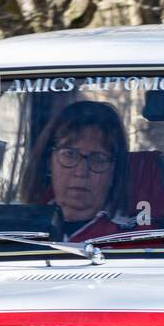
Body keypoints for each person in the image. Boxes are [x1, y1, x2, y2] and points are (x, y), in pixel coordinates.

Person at [21, 100, 132, 241]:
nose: (81, 172)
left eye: (98, 159)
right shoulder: (19, 230)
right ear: (49, 162)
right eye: (69, 154)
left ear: (114, 173)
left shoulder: (136, 239)